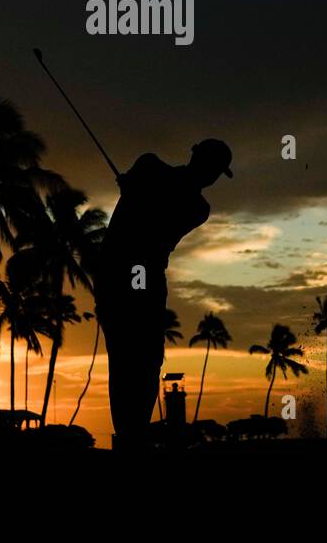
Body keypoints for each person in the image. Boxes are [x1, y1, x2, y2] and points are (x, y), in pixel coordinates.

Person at [95, 138, 233, 449]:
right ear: (195, 156)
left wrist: (136, 190)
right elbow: (140, 191)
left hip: (141, 277)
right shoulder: (150, 165)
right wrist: (135, 188)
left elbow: (161, 222)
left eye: (215, 171)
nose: (211, 176)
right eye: (211, 167)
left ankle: (134, 434)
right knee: (126, 357)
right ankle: (130, 436)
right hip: (119, 274)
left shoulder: (198, 207)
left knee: (145, 359)